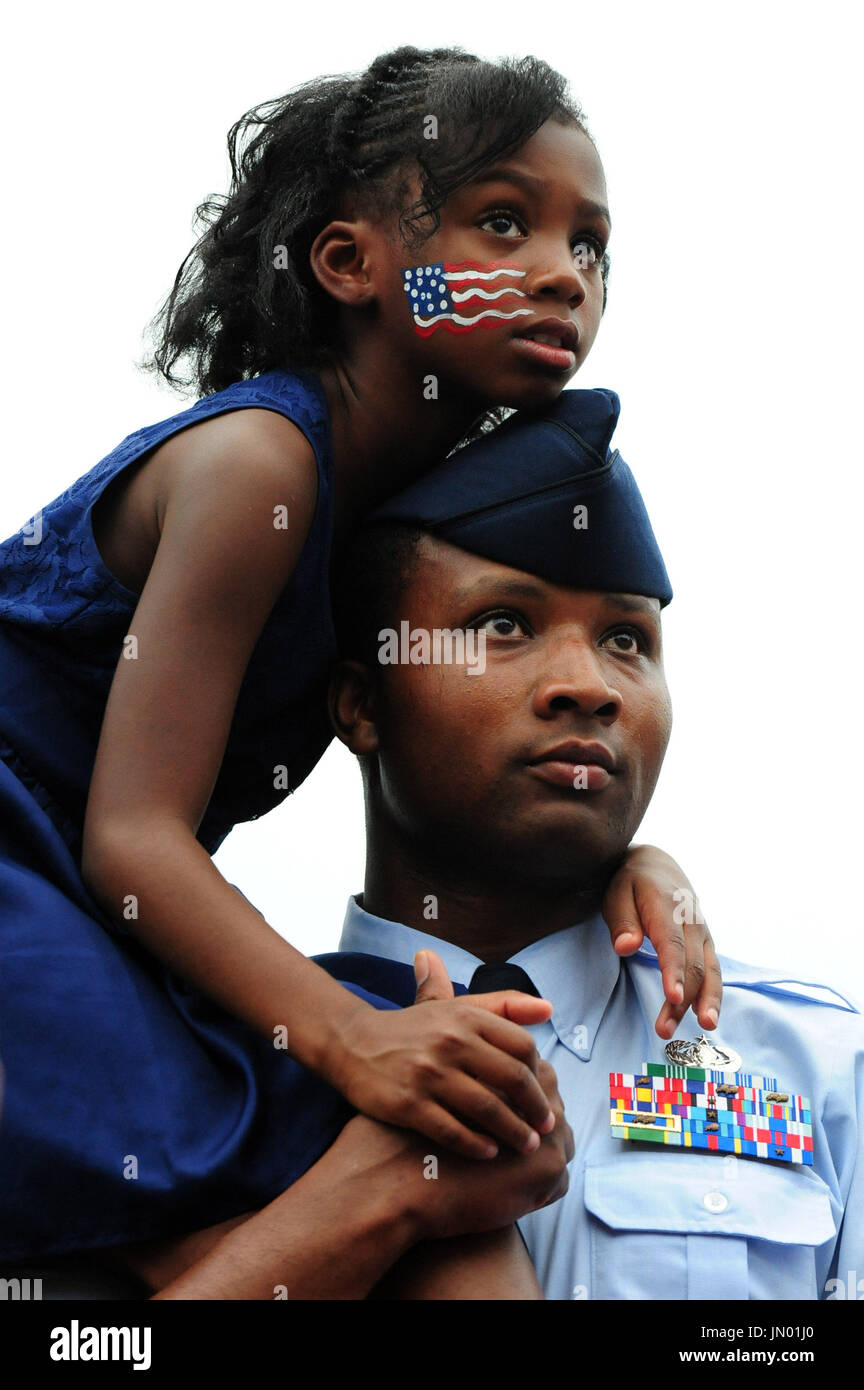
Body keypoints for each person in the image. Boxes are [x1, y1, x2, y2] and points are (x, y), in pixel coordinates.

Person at [0, 48, 720, 1264]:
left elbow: (466, 768)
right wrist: (345, 1037)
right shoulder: (260, 467)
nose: (564, 277)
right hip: (45, 879)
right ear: (349, 264)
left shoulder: (366, 530)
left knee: (469, 1117)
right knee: (420, 1116)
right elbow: (131, 836)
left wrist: (625, 859)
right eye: (505, 224)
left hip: (85, 908)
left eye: (590, 246)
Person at [316, 387, 862, 1300]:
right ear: (363, 704)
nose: (588, 685)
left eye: (624, 638)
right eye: (504, 625)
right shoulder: (228, 1061)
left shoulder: (811, 1068)